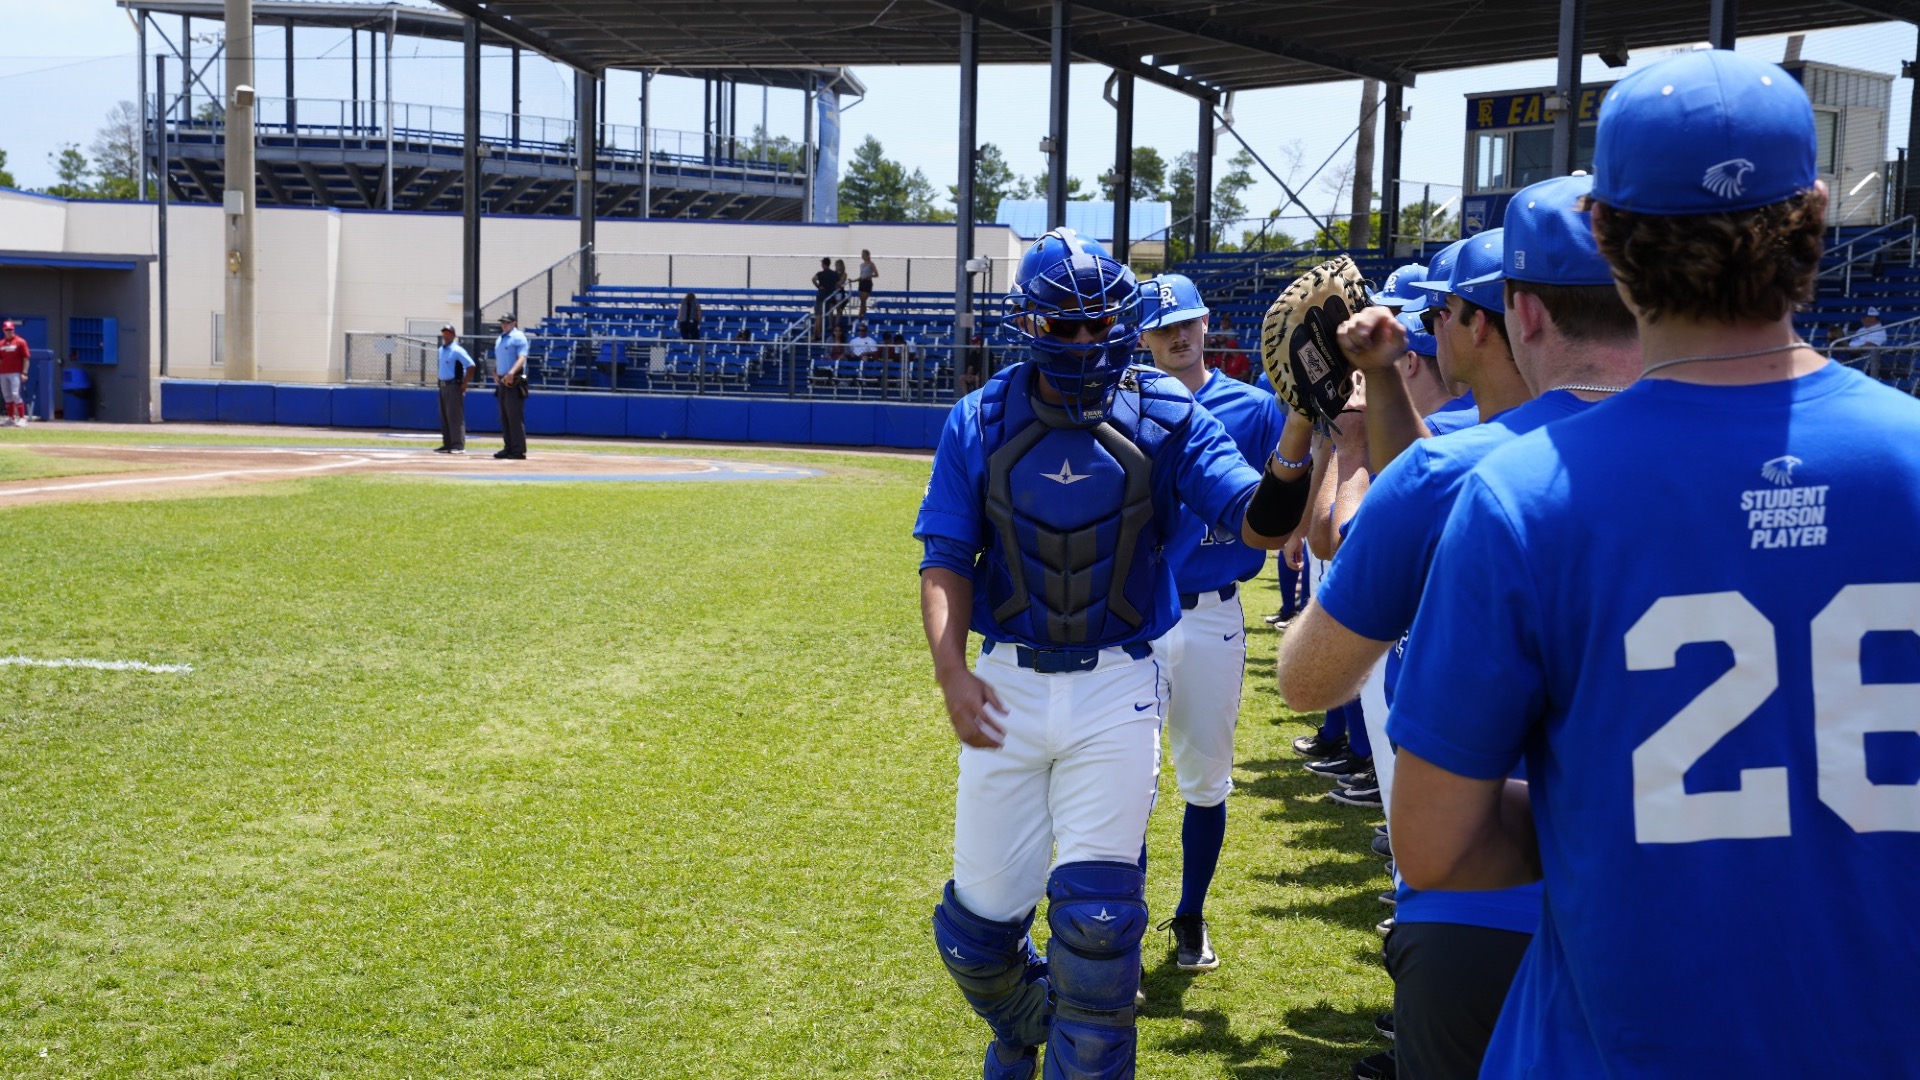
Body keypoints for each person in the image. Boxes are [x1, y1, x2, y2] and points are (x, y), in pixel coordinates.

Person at [1390, 50, 1918, 1076]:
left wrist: (1603, 801)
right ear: (1813, 212)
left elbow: (1435, 843)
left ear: (1602, 232)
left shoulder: (1528, 494)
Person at [916, 228, 1313, 1080]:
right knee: (975, 939)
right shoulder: (980, 417)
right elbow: (944, 557)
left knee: (1098, 927)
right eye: (1066, 328)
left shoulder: (1168, 412)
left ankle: (1080, 1052)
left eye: (1101, 326)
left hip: (1121, 686)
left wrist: (1301, 428)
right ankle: (1029, 1026)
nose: (1087, 344)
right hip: (1006, 686)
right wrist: (951, 672)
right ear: (1029, 325)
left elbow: (1259, 522)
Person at [1279, 174, 1641, 1080]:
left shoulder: (1450, 478)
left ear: (1513, 315)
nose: (1431, 331)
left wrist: (1346, 442)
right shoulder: (1734, 455)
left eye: (1443, 314)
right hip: (1666, 906)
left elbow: (1308, 679)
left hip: (1480, 907)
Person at [1136, 273, 1288, 973]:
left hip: (1212, 609)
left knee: (1206, 780)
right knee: (1123, 779)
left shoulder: (1251, 408)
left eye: (1189, 321)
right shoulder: (1126, 405)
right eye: (1164, 326)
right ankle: (1117, 928)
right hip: (1135, 614)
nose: (1179, 334)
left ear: (1206, 324)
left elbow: (1279, 507)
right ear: (1141, 337)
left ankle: (1191, 914)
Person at [432, 324, 474, 454]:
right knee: (444, 416)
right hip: (443, 386)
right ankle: (448, 443)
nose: (446, 336)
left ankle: (458, 445)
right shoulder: (441, 350)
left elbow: (471, 365)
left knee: (455, 416)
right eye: (444, 333)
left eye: (448, 333)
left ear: (454, 336)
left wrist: (465, 383)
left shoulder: (457, 350)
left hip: (453, 385)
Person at [493, 313, 530, 460]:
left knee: (514, 416)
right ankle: (508, 447)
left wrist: (511, 372)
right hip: (502, 381)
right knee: (505, 417)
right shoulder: (500, 338)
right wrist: (495, 371)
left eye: (507, 322)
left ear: (514, 323)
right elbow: (501, 358)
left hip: (516, 379)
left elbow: (522, 357)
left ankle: (518, 449)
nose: (504, 325)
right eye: (502, 322)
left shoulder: (518, 337)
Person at [0, 321, 31, 426]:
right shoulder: (1, 343)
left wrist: (24, 373)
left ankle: (22, 418)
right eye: (6, 330)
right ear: (3, 330)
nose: (8, 332)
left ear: (14, 330)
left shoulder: (20, 342)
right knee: (7, 396)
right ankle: (11, 418)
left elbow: (26, 358)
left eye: (10, 330)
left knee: (15, 394)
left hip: (15, 373)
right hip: (3, 373)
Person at [812, 257, 838, 340]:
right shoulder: (834, 273)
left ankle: (817, 334)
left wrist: (818, 286)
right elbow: (837, 284)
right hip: (830, 295)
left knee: (818, 316)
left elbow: (813, 279)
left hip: (822, 295)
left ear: (823, 264)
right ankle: (817, 334)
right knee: (821, 315)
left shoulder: (821, 273)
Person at [857, 248, 879, 320]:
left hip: (867, 283)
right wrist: (854, 280)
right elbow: (861, 276)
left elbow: (876, 274)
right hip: (861, 283)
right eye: (862, 255)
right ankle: (864, 315)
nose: (862, 256)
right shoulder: (861, 265)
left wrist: (869, 276)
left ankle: (860, 316)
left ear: (868, 255)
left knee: (863, 300)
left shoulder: (871, 264)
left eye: (864, 255)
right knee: (862, 301)